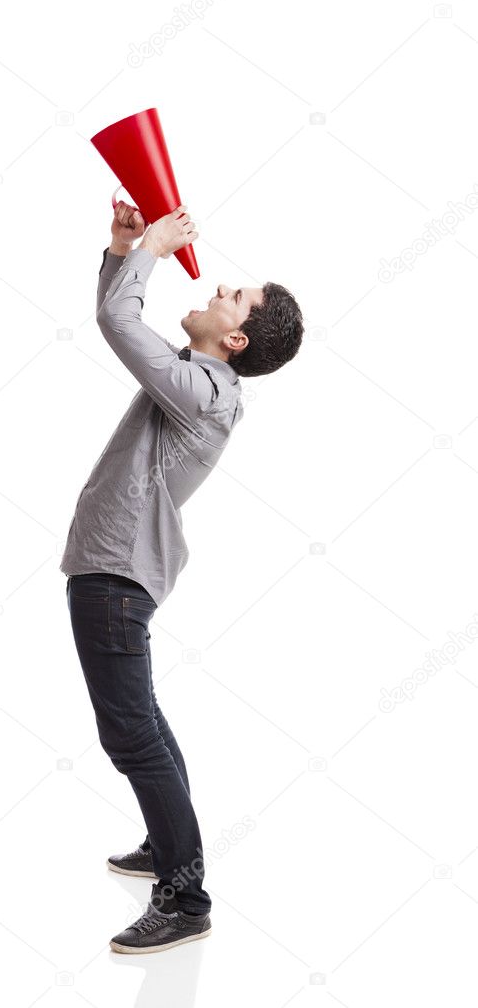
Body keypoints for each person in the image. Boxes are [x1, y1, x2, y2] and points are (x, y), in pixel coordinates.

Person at [60, 200, 303, 954]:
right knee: (146, 726)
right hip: (113, 569)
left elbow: (119, 326)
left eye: (238, 295)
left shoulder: (203, 391)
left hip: (115, 575)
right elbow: (119, 312)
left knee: (130, 735)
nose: (224, 284)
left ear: (234, 338)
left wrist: (157, 251)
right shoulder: (194, 377)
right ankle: (169, 844)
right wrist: (125, 246)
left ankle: (185, 894)